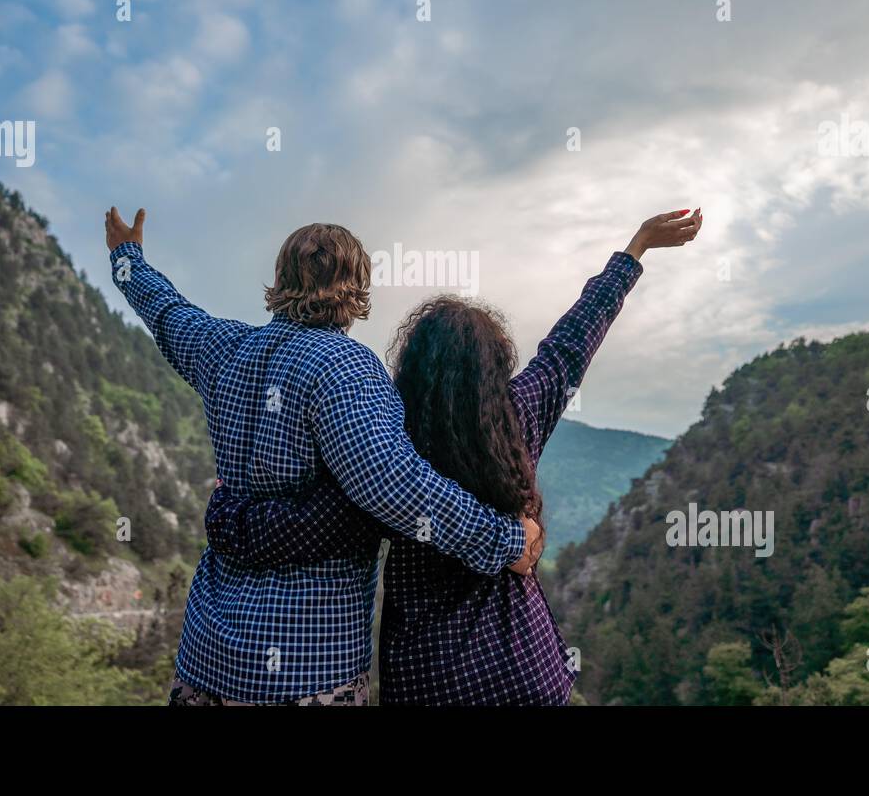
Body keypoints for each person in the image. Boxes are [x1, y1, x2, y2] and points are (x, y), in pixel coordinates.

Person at [202, 208, 703, 704]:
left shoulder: (387, 442)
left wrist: (226, 512)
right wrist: (635, 249)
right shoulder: (518, 418)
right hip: (526, 671)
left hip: (428, 682)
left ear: (410, 367)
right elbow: (570, 345)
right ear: (496, 365)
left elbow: (304, 524)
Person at [105, 210, 542, 706]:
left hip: (206, 657)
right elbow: (396, 485)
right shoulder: (346, 367)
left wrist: (126, 257)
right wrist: (506, 540)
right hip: (307, 666)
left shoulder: (222, 348)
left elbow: (165, 311)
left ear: (281, 278)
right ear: (356, 288)